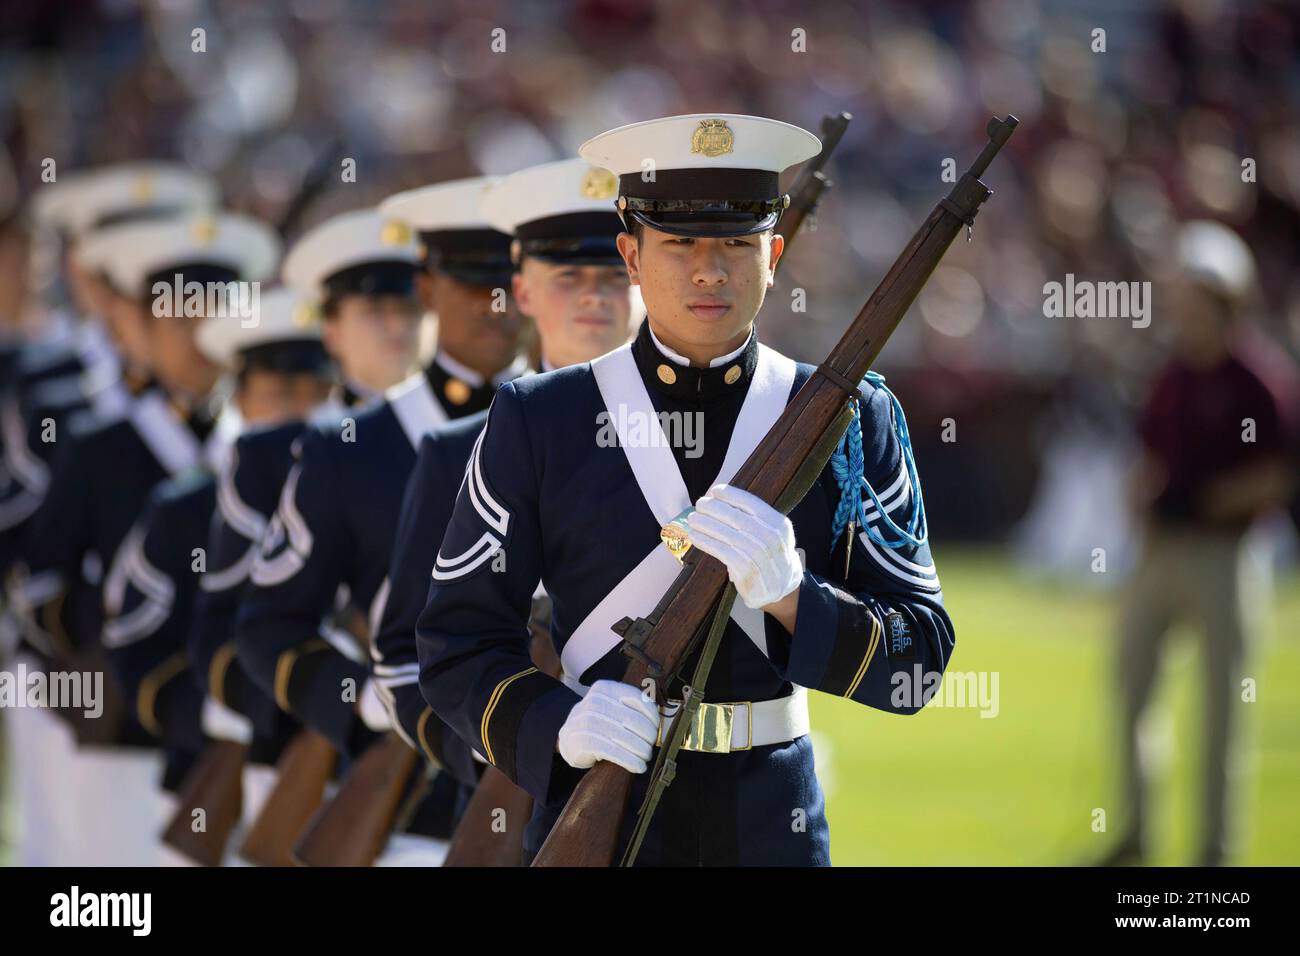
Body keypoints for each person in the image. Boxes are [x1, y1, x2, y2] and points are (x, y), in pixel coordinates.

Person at [416, 114, 955, 866]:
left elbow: (919, 661)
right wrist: (554, 726)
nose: (710, 271)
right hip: (600, 803)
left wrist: (797, 598)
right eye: (680, 245)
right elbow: (456, 642)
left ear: (773, 255)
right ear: (632, 257)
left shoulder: (851, 417)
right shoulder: (542, 416)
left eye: (737, 244)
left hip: (773, 825)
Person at [235, 183, 523, 864]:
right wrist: (363, 702)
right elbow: (269, 625)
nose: (492, 304)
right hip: (410, 818)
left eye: (506, 283)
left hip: (554, 800)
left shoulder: (569, 422)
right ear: (431, 289)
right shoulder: (348, 448)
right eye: (469, 283)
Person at [9, 208, 278, 865]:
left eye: (215, 315)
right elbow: (41, 585)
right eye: (179, 318)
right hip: (122, 730)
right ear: (142, 327)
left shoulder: (258, 451)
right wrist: (114, 632)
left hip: (234, 728)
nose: (198, 336)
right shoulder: (100, 448)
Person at [373, 157, 636, 810]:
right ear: (523, 292)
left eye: (611, 274)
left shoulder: (694, 439)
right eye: (568, 275)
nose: (592, 297)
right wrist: (516, 749)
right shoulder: (458, 451)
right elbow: (409, 654)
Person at [189, 223, 430, 854]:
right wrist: (340, 699)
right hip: (309, 744)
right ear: (333, 330)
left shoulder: (477, 431)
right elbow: (226, 630)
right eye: (374, 310)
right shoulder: (276, 454)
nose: (396, 327)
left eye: (408, 307)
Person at [101, 285, 335, 864]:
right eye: (282, 393)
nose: (301, 412)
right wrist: (222, 712)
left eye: (318, 392)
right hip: (211, 765)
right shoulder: (187, 510)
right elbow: (138, 647)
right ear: (242, 397)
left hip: (333, 756)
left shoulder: (350, 499)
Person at [1104, 219, 1300, 867]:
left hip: (1224, 554)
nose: (1183, 308)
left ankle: (1215, 854)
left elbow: (1275, 474)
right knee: (1131, 689)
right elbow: (1148, 458)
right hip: (1164, 552)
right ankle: (1136, 835)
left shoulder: (1258, 379)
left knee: (1223, 714)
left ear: (1225, 300)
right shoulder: (1173, 376)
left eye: (1195, 295)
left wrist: (1209, 500)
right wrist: (1144, 502)